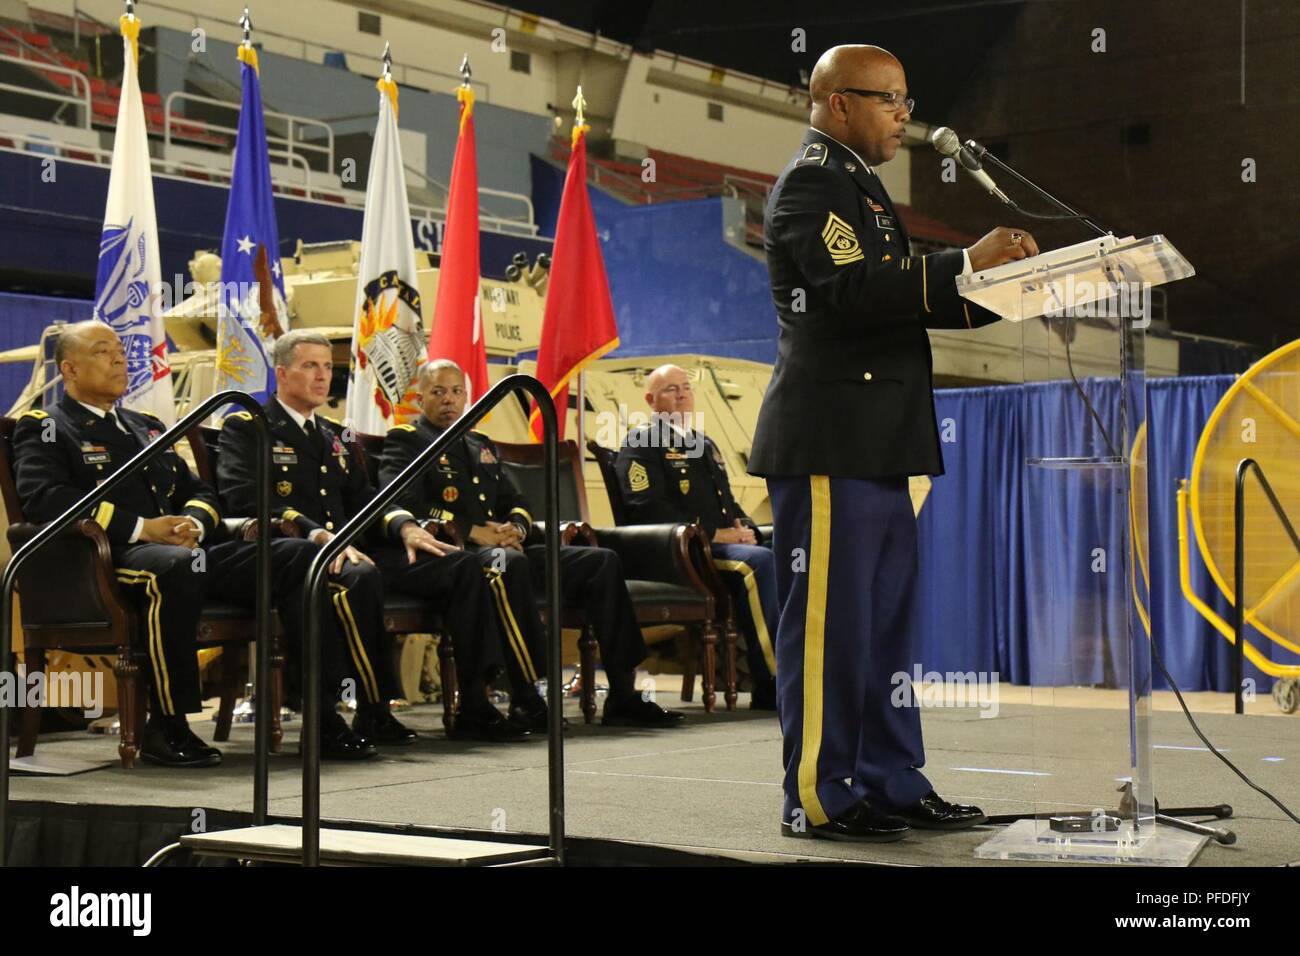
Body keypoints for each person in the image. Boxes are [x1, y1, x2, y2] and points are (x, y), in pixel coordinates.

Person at [750, 44, 1040, 842]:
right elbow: (851, 291)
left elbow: (905, 299)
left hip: (878, 445)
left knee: (882, 632)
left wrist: (1005, 287)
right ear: (837, 102)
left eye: (907, 100)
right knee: (830, 632)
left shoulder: (862, 188)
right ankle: (818, 794)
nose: (906, 115)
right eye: (890, 100)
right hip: (831, 442)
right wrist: (961, 263)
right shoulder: (814, 179)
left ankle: (888, 778)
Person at [13, 321, 322, 767]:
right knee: (174, 567)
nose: (120, 360)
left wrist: (195, 523)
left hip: (183, 551)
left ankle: (319, 709)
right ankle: (167, 725)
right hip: (103, 564)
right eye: (103, 352)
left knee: (298, 556)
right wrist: (144, 528)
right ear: (70, 369)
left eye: (121, 351)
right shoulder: (46, 426)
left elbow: (199, 491)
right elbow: (47, 499)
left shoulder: (147, 427)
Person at [217, 330, 526, 747]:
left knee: (463, 564)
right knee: (361, 578)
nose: (323, 376)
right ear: (282, 373)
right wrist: (318, 533)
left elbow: (369, 498)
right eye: (311, 366)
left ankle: (474, 702)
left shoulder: (333, 435)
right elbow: (243, 496)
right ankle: (356, 711)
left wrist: (406, 527)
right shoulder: (248, 426)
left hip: (355, 548)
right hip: (294, 554)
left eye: (328, 367)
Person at [379, 359, 685, 729]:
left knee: (600, 561)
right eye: (439, 392)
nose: (449, 400)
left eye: (457, 391)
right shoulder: (407, 439)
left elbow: (517, 501)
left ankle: (623, 692)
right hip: (459, 554)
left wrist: (518, 529)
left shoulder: (481, 444)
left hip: (507, 547)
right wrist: (472, 530)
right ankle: (525, 695)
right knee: (510, 564)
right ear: (421, 396)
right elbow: (400, 499)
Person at [615, 363, 778, 709]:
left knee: (784, 546)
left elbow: (728, 503)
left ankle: (809, 668)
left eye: (685, 387)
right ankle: (773, 681)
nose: (682, 394)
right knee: (758, 563)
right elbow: (648, 511)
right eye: (670, 389)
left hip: (721, 544)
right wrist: (716, 533)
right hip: (686, 554)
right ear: (650, 399)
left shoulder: (704, 444)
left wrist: (746, 529)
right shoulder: (641, 444)